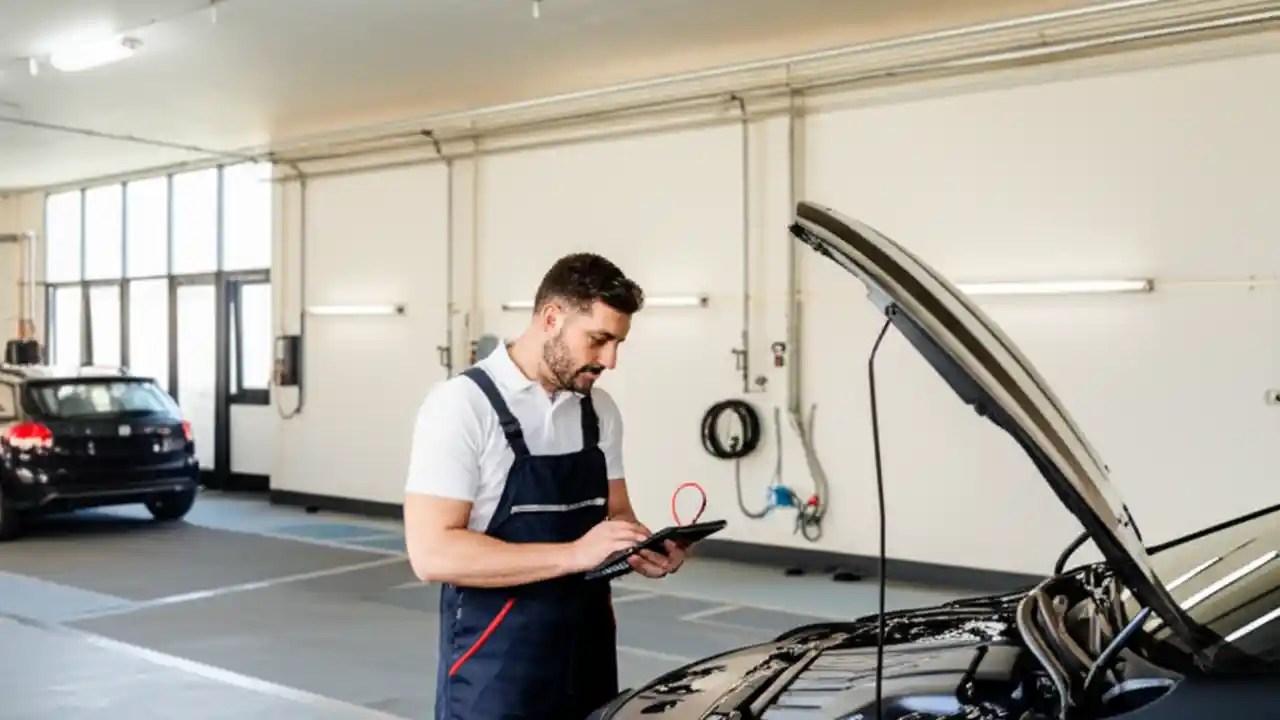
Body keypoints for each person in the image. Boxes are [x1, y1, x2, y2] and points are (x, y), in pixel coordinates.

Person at [403, 252, 688, 720]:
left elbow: (616, 515)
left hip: (588, 658)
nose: (610, 360)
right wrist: (573, 554)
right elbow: (433, 553)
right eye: (598, 340)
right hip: (495, 670)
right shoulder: (461, 406)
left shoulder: (600, 412)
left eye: (618, 343)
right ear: (552, 318)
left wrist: (644, 547)